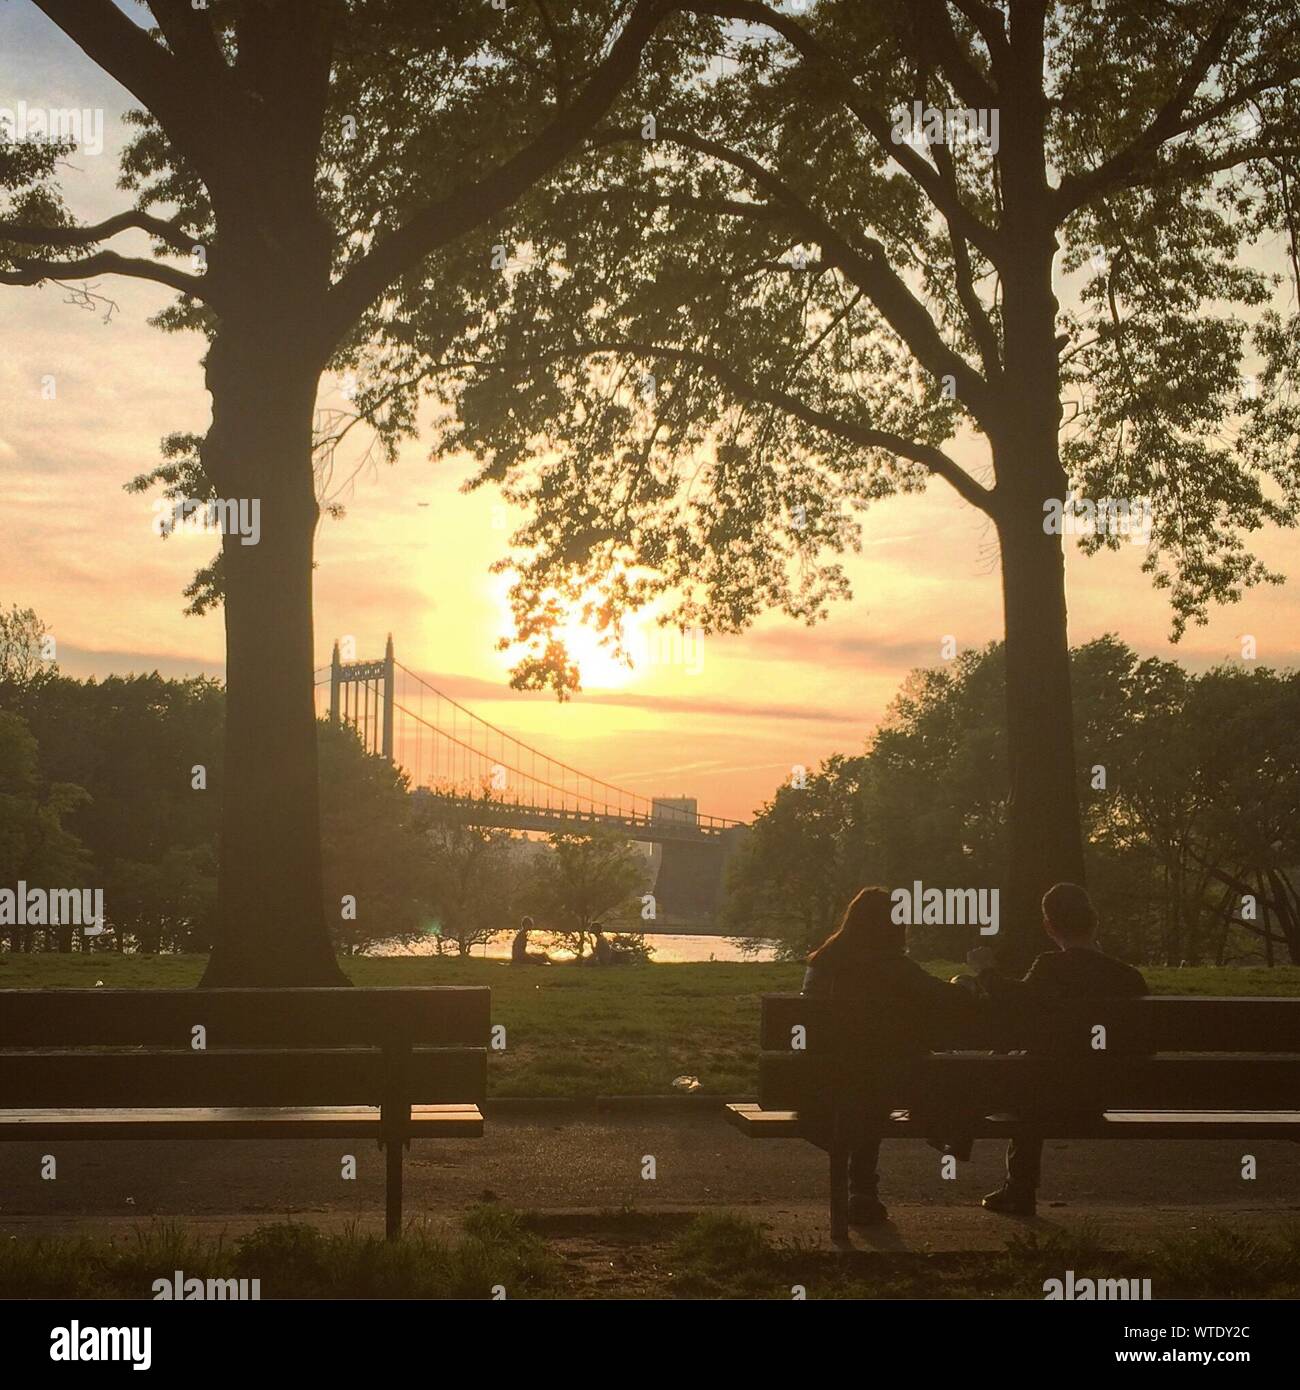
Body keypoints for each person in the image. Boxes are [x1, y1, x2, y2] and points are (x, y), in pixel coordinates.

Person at [967, 881, 1147, 1216]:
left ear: (1049, 927)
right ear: (1095, 922)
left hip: (1046, 1095)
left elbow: (1016, 1004)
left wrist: (985, 971)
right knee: (1035, 1069)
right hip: (1102, 1094)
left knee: (1029, 1073)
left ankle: (1018, 1188)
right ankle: (1014, 1185)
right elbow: (1144, 1045)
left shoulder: (1049, 967)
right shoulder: (1129, 978)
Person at [802, 886, 974, 1227]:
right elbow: (950, 999)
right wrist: (967, 982)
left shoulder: (823, 962)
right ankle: (866, 1189)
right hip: (887, 1083)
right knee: (876, 1079)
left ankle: (861, 1192)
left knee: (862, 1083)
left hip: (822, 1084)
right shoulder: (897, 968)